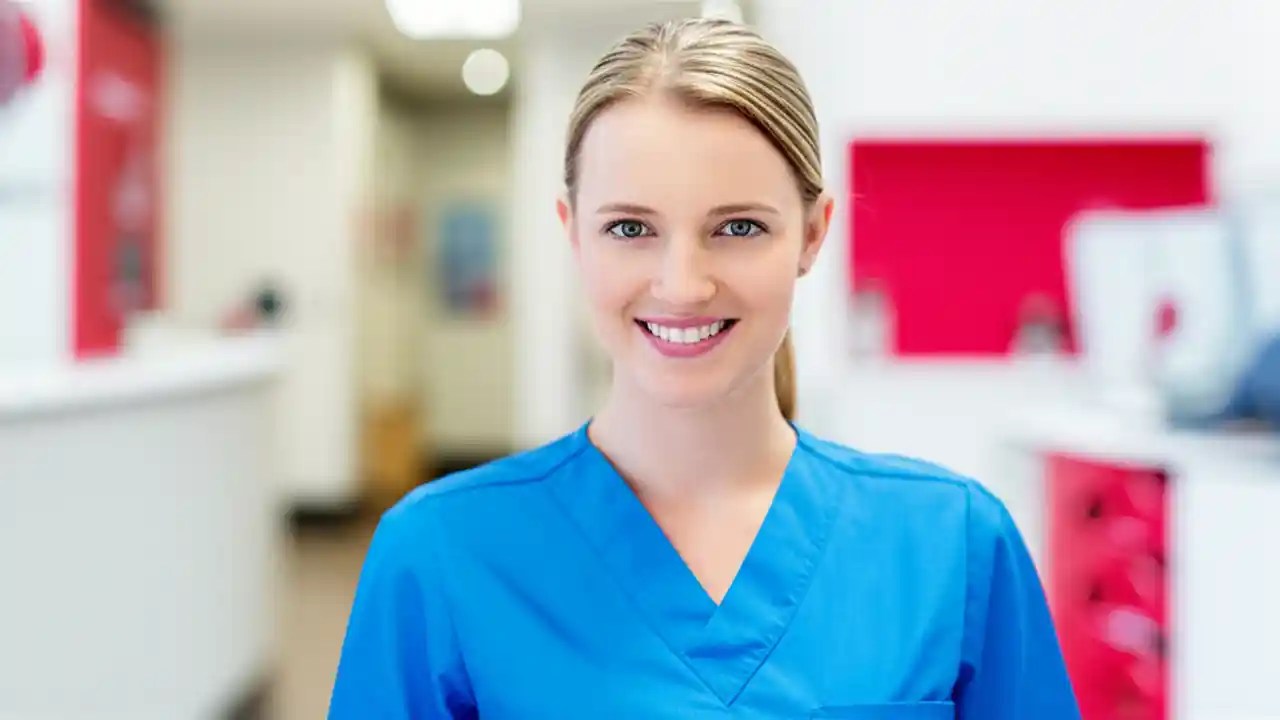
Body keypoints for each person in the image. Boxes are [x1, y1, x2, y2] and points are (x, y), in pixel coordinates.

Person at [329, 18, 1080, 719]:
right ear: (574, 234)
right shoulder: (440, 556)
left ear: (814, 235)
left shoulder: (952, 545)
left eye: (739, 227)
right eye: (630, 227)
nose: (683, 283)